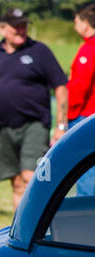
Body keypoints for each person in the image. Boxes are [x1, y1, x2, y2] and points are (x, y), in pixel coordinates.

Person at [0, 7, 70, 209]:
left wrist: (61, 125)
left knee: (30, 178)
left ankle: (38, 228)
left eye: (23, 26)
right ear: (2, 29)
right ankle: (21, 232)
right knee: (16, 182)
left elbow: (60, 86)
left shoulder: (39, 51)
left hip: (34, 124)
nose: (21, 30)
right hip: (3, 125)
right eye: (16, 27)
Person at [68, 5, 95, 195]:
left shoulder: (89, 49)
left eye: (76, 22)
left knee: (86, 172)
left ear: (85, 24)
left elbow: (80, 87)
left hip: (85, 117)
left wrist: (68, 115)